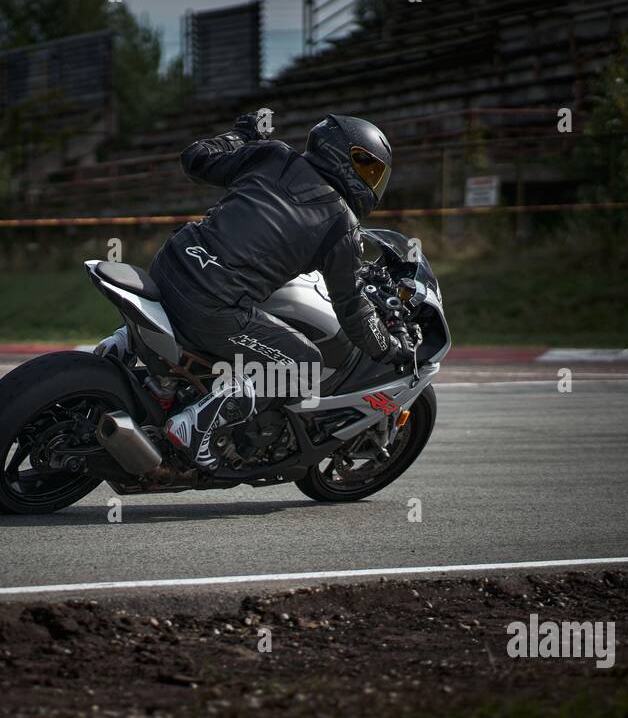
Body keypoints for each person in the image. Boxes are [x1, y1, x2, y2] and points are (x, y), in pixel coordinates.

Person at [95, 113, 412, 471]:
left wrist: (239, 135)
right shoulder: (342, 225)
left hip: (170, 265)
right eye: (368, 167)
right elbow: (352, 308)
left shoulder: (273, 155)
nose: (372, 181)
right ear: (345, 157)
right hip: (211, 305)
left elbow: (195, 159)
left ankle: (123, 344)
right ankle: (197, 427)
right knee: (304, 365)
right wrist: (388, 345)